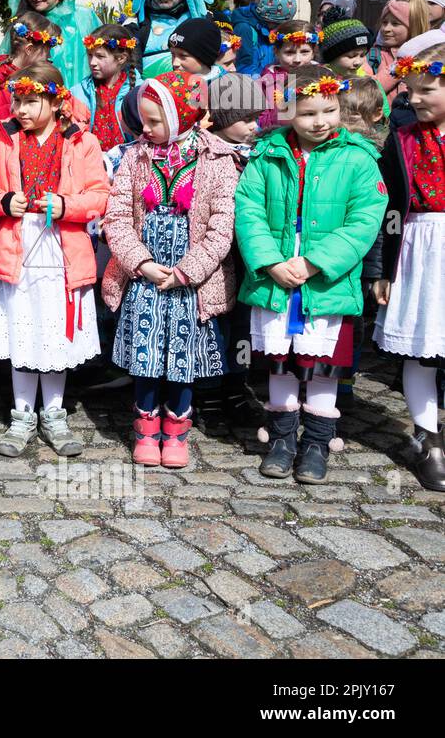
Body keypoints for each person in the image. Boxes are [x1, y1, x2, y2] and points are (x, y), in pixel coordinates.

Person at [236, 65, 386, 484]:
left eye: (329, 110)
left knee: (323, 366)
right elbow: (248, 210)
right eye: (308, 113)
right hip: (276, 273)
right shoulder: (266, 156)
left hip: (326, 278)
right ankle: (282, 440)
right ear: (287, 115)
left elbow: (364, 219)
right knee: (281, 362)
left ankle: (317, 442)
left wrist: (315, 261)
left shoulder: (358, 159)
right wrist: (269, 261)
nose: (320, 121)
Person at [103, 71, 239, 468]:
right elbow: (117, 216)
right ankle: (146, 427)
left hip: (189, 280)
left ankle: (176, 429)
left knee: (182, 355)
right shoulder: (135, 156)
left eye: (154, 121)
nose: (144, 128)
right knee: (146, 352)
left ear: (181, 115)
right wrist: (141, 263)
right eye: (143, 120)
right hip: (145, 272)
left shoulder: (217, 160)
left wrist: (185, 272)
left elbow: (221, 227)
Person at [0, 62, 109, 459]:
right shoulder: (3, 140)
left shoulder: (82, 142)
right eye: (17, 100)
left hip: (61, 250)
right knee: (23, 332)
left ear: (55, 101)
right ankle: (21, 415)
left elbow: (100, 194)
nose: (21, 109)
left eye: (31, 101)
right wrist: (4, 201)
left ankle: (53, 412)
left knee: (54, 334)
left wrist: (66, 204)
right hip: (16, 247)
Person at [373, 45, 445, 491]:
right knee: (421, 345)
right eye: (411, 91)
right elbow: (385, 208)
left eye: (428, 90)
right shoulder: (400, 142)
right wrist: (381, 269)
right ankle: (427, 438)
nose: (415, 100)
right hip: (418, 247)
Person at [195, 73, 271, 436]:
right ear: (224, 119)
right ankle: (208, 390)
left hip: (246, 253)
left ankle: (236, 386)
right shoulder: (203, 151)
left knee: (241, 325)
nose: (255, 126)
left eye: (258, 118)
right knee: (213, 325)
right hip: (212, 254)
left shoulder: (258, 153)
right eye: (247, 119)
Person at [0, 0, 99, 88]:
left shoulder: (85, 17)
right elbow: (4, 64)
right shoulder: (23, 24)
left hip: (82, 102)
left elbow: (107, 55)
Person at [0, 13, 64, 147]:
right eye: (46, 51)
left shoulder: (47, 78)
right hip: (5, 156)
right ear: (30, 49)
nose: (49, 57)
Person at [70, 25, 139, 153]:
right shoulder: (78, 93)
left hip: (128, 161)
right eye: (90, 55)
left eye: (100, 56)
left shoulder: (139, 91)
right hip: (90, 162)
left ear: (121, 58)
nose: (92, 62)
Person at [258, 20, 322, 130]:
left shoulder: (323, 76)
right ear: (276, 51)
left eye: (304, 52)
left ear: (313, 52)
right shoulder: (269, 81)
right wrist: (282, 111)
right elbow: (262, 120)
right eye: (289, 53)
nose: (297, 60)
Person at [230, 0, 297, 77]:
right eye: (274, 23)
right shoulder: (245, 29)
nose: (277, 28)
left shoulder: (271, 29)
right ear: (264, 16)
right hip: (255, 86)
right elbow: (243, 66)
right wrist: (261, 83)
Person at [371, 0, 432, 97]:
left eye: (395, 24)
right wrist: (399, 65)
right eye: (384, 22)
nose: (386, 28)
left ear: (413, 26)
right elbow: (370, 90)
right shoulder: (373, 56)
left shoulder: (429, 55)